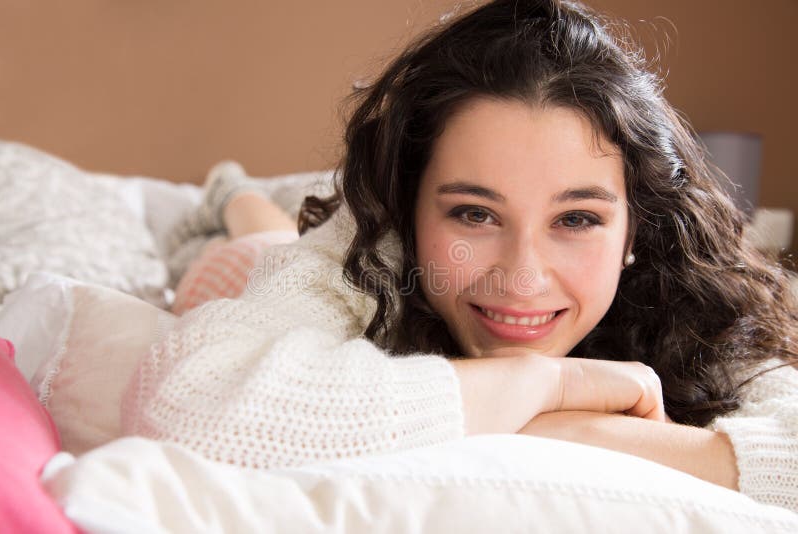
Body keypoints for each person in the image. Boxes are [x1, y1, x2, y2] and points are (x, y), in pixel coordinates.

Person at [122, 0, 798, 513]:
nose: (522, 278)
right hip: (252, 263)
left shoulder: (691, 291)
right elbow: (188, 401)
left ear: (635, 231)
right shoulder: (369, 250)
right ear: (409, 212)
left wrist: (571, 435)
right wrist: (550, 384)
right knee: (254, 243)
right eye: (474, 213)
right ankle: (231, 193)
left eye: (578, 218)